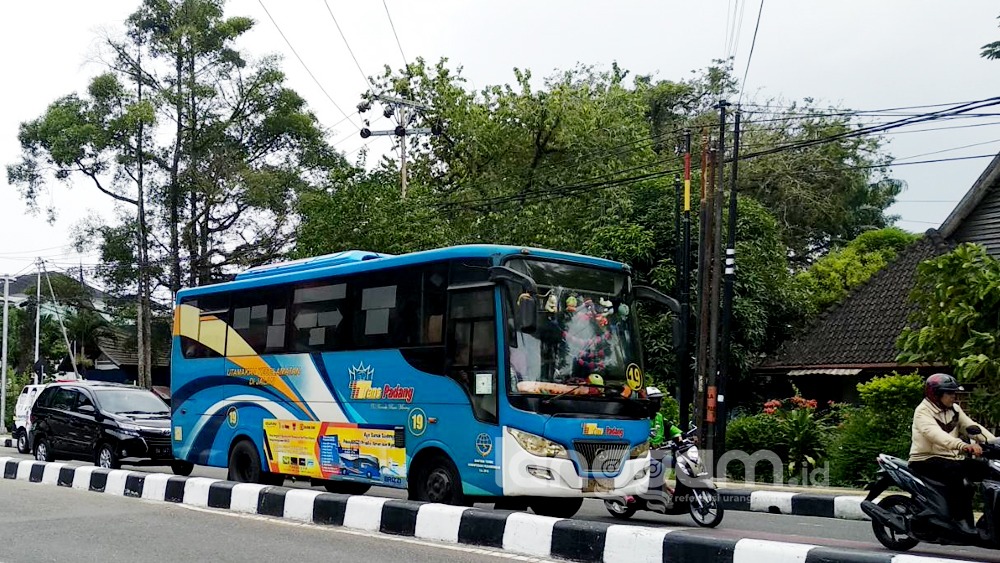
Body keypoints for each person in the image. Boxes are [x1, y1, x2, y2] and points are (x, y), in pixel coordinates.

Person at [908, 373, 995, 534]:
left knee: (989, 469)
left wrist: (994, 442)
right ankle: (960, 521)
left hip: (951, 459)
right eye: (949, 393)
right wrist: (963, 445)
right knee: (960, 479)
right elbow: (936, 435)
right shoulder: (922, 411)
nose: (953, 396)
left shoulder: (954, 409)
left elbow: (971, 427)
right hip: (925, 460)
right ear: (936, 394)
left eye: (954, 392)